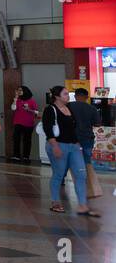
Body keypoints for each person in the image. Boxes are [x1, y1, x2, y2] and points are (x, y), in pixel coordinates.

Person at [42, 86, 98, 217]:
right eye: (65, 94)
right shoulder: (50, 110)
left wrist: (77, 143)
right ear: (57, 96)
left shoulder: (69, 108)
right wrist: (55, 146)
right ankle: (55, 202)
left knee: (81, 174)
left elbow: (73, 129)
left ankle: (82, 205)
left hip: (73, 146)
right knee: (59, 174)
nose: (68, 96)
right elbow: (48, 129)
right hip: (58, 144)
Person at [71, 88, 105, 212]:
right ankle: (89, 188)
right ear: (86, 97)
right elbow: (97, 124)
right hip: (87, 139)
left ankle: (64, 185)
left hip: (72, 140)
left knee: (70, 164)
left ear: (75, 96)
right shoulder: (92, 108)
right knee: (87, 163)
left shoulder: (68, 106)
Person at [10, 85, 39, 163]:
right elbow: (13, 108)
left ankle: (26, 157)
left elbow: (37, 112)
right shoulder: (17, 100)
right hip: (18, 123)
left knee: (27, 140)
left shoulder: (31, 101)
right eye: (18, 90)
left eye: (21, 90)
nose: (19, 92)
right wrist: (15, 99)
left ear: (25, 91)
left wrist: (29, 110)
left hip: (28, 124)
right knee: (16, 139)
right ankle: (16, 156)